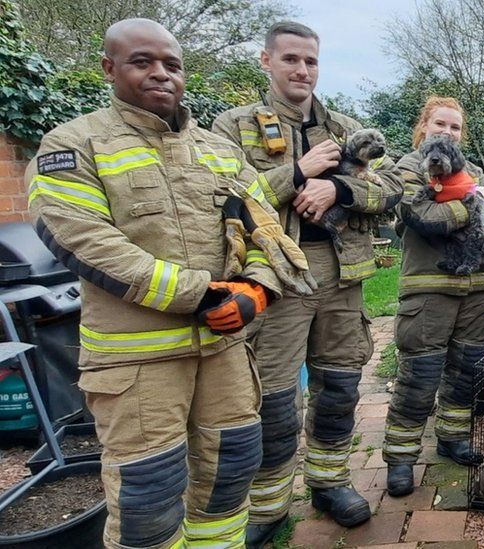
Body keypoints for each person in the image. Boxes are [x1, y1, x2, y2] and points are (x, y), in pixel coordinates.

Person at [25, 19, 310, 548]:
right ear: (109, 68)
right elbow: (86, 241)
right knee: (148, 499)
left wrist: (258, 290)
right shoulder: (72, 146)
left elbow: (266, 231)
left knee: (229, 477)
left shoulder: (220, 152)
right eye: (142, 61)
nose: (161, 74)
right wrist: (200, 294)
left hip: (225, 353)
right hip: (138, 366)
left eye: (172, 64)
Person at [212, 22, 403, 542]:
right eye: (291, 59)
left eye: (311, 61)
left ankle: (329, 481)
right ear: (266, 61)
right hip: (275, 280)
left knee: (340, 386)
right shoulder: (232, 126)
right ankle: (269, 504)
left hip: (342, 276)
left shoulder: (346, 127)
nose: (302, 70)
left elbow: (391, 188)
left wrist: (336, 189)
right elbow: (225, 198)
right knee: (273, 397)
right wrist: (296, 173)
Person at [382, 96, 484, 496]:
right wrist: (470, 211)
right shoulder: (408, 169)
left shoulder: (475, 173)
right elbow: (421, 217)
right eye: (440, 124)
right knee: (419, 377)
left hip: (475, 293)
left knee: (466, 373)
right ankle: (401, 458)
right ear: (423, 127)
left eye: (455, 127)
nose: (447, 132)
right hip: (428, 293)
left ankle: (452, 438)